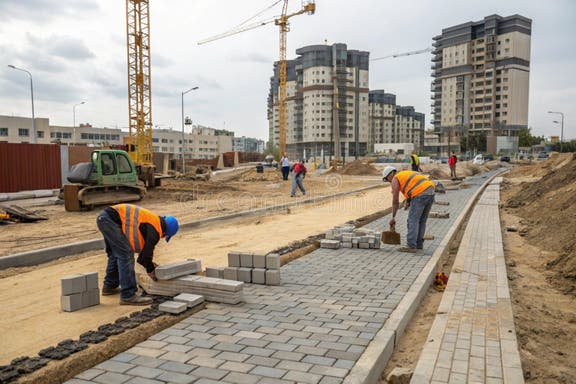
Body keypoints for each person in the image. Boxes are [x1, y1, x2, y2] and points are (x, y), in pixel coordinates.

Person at [96, 204, 179, 305]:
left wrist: (149, 264)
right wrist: (150, 269)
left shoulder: (153, 221)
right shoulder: (155, 229)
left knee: (116, 253)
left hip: (105, 218)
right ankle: (128, 295)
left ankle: (110, 286)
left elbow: (144, 254)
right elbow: (146, 254)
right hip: (110, 220)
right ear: (166, 233)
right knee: (126, 254)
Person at [382, 166, 435, 253]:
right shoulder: (405, 173)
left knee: (412, 220)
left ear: (391, 174)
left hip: (420, 193)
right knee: (422, 220)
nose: (389, 182)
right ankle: (418, 244)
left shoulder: (395, 178)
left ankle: (411, 245)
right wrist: (409, 201)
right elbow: (413, 185)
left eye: (387, 179)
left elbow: (395, 200)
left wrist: (393, 217)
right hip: (430, 192)